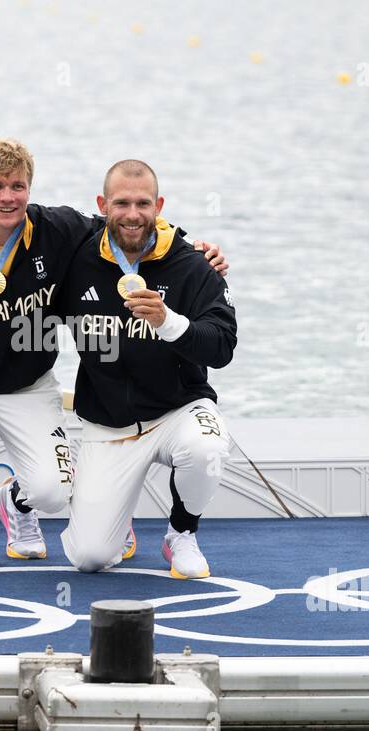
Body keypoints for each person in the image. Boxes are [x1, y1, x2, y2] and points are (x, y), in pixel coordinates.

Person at [0, 139, 227, 572]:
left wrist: (193, 251)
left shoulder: (57, 232)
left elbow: (127, 225)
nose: (7, 197)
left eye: (18, 186)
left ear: (29, 189)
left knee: (55, 494)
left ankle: (17, 503)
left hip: (27, 385)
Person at [59, 159, 236, 579]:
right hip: (109, 423)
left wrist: (168, 322)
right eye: (121, 203)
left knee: (207, 449)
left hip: (178, 409)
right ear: (102, 205)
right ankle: (109, 519)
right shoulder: (75, 258)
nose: (133, 215)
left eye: (142, 203)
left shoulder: (194, 263)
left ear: (159, 205)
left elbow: (223, 346)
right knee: (90, 558)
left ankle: (181, 533)